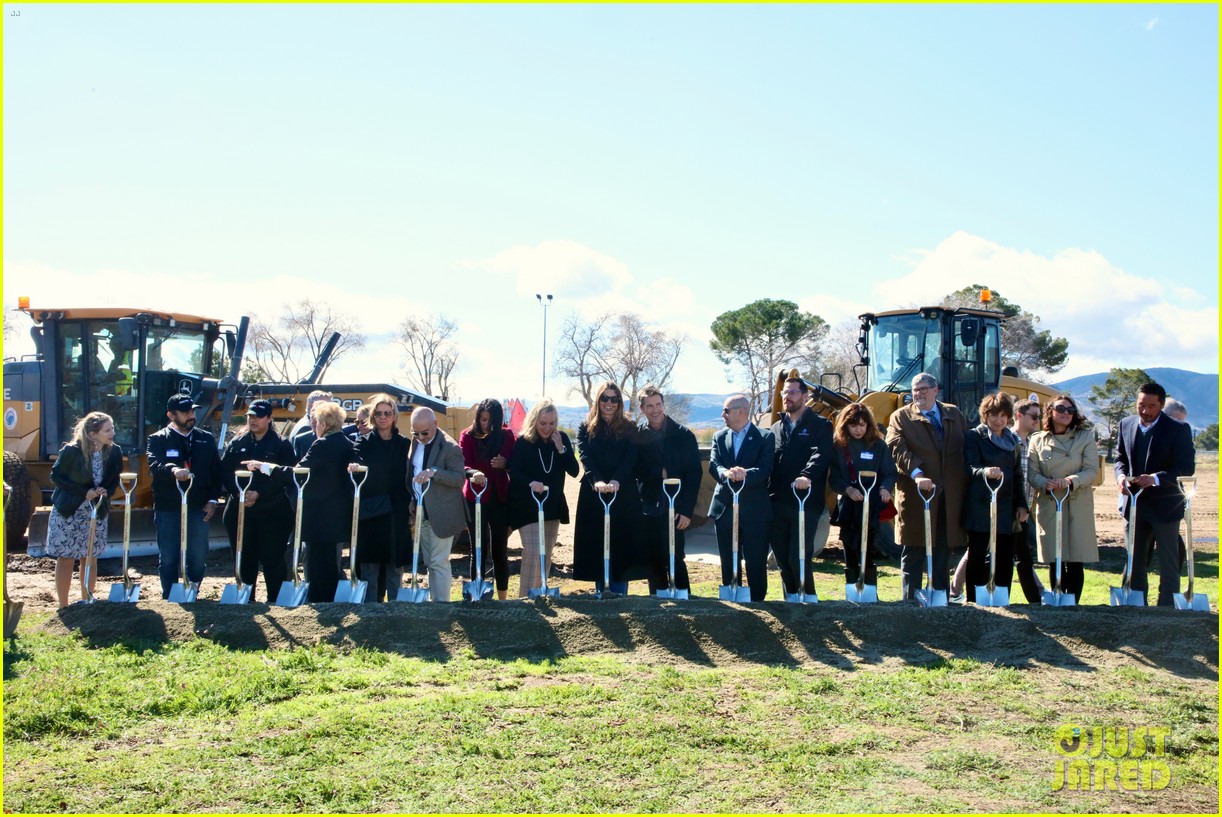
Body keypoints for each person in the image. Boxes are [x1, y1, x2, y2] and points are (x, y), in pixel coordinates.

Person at [245, 400, 354, 603]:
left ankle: (320, 605)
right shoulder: (345, 443)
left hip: (319, 517)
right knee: (329, 564)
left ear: (324, 423)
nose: (315, 426)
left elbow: (298, 473)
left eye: (316, 421)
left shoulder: (323, 444)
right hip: (335, 516)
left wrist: (264, 466)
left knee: (318, 567)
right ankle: (325, 603)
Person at [886, 373, 967, 601]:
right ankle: (910, 602)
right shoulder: (900, 417)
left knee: (942, 549)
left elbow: (966, 444)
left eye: (923, 389)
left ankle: (940, 600)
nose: (918, 393)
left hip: (949, 496)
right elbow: (896, 448)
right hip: (916, 495)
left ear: (935, 390)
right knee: (915, 549)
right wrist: (917, 473)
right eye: (915, 390)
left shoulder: (953, 413)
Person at [1114, 382, 1196, 606]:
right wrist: (1120, 476)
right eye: (1141, 405)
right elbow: (1120, 458)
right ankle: (1135, 603)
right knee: (1135, 557)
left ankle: (1167, 607)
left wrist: (1155, 478)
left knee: (1168, 559)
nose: (1145, 411)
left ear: (1161, 405)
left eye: (1151, 406)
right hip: (1134, 503)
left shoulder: (1178, 429)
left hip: (1165, 505)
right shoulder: (1126, 424)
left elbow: (1186, 467)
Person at [574, 381, 647, 595]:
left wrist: (617, 480)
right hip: (594, 493)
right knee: (597, 545)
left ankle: (619, 594)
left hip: (623, 494)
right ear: (598, 400)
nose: (609, 403)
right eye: (605, 398)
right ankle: (601, 592)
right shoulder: (585, 427)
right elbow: (585, 456)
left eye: (614, 399)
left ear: (619, 402)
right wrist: (596, 480)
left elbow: (630, 457)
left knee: (622, 545)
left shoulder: (629, 427)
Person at [219, 400, 296, 603]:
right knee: (244, 558)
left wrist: (259, 493)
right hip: (240, 509)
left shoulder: (281, 444)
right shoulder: (237, 443)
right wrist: (240, 493)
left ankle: (276, 601)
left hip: (272, 511)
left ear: (269, 419)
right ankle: (246, 601)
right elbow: (225, 472)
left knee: (273, 560)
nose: (253, 420)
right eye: (250, 416)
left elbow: (287, 476)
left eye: (258, 417)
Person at [147, 395, 223, 599]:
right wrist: (173, 470)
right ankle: (170, 597)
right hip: (168, 507)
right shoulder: (158, 439)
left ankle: (192, 593)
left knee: (198, 557)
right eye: (185, 412)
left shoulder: (205, 439)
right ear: (171, 415)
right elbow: (155, 464)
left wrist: (213, 500)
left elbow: (217, 472)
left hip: (198, 507)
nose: (191, 415)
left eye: (192, 411)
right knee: (169, 557)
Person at [1027, 394, 1099, 604]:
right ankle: (1057, 599)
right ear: (1050, 411)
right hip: (1050, 502)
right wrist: (1044, 482)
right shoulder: (1038, 439)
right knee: (1054, 557)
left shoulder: (1084, 437)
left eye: (1070, 410)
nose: (1066, 413)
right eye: (1061, 409)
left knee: (1075, 558)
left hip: (1076, 501)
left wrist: (1070, 480)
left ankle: (1072, 604)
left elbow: (1091, 470)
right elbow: (1032, 472)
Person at [47, 412, 123, 608]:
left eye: (112, 428)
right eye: (107, 430)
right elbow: (56, 477)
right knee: (66, 557)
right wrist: (84, 492)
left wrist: (106, 491)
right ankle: (63, 606)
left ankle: (86, 602)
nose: (112, 433)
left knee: (90, 557)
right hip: (69, 511)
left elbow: (114, 479)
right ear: (92, 434)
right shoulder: (71, 451)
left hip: (96, 511)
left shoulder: (114, 452)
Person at [408, 407, 483, 603]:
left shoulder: (451, 448)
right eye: (415, 433)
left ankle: (442, 607)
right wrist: (412, 499)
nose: (420, 437)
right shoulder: (415, 443)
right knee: (430, 563)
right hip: (421, 511)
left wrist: (434, 472)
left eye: (425, 432)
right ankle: (436, 605)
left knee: (438, 562)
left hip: (443, 514)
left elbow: (459, 479)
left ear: (436, 424)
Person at [768, 377, 834, 598]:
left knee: (799, 555)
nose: (787, 397)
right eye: (785, 393)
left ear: (805, 397)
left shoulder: (821, 425)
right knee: (782, 556)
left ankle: (809, 600)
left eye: (793, 393)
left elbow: (821, 454)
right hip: (777, 501)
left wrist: (806, 475)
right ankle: (791, 598)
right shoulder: (776, 428)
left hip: (805, 502)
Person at [961, 393, 1029, 604]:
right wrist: (985, 472)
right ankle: (974, 599)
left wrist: (1022, 504)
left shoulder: (1012, 441)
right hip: (981, 504)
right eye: (993, 415)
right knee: (978, 554)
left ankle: (1000, 598)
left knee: (1005, 556)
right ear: (985, 415)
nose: (998, 420)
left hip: (1007, 506)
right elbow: (969, 466)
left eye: (1002, 415)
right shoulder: (975, 436)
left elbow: (1018, 475)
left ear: (1009, 417)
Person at [635, 384, 702, 596]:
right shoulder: (638, 436)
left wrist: (687, 510)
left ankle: (683, 598)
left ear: (664, 405)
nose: (655, 410)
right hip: (649, 505)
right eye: (650, 406)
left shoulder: (683, 435)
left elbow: (694, 475)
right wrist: (659, 471)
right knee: (653, 558)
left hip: (677, 507)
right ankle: (658, 600)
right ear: (642, 409)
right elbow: (635, 468)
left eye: (658, 404)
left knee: (675, 556)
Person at [507, 399, 579, 597]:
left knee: (545, 554)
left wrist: (561, 448)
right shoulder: (524, 441)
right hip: (528, 507)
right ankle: (524, 600)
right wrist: (531, 482)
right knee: (532, 552)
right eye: (543, 423)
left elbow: (574, 470)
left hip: (553, 506)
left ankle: (539, 595)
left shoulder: (561, 438)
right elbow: (515, 472)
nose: (548, 428)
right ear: (534, 421)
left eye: (552, 423)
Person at [708, 393, 775, 601]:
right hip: (725, 507)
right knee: (728, 559)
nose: (723, 415)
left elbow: (766, 469)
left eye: (726, 411)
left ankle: (757, 604)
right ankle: (731, 599)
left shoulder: (765, 437)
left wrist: (744, 474)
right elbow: (714, 465)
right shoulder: (719, 437)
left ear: (741, 411)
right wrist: (725, 474)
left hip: (754, 510)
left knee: (755, 560)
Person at [828, 403, 896, 591]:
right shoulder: (839, 446)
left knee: (868, 545)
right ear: (845, 425)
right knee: (849, 544)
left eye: (862, 425)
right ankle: (852, 586)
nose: (858, 429)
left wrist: (885, 488)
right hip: (849, 504)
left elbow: (890, 472)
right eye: (853, 425)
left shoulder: (878, 445)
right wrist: (847, 490)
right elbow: (834, 478)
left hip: (871, 502)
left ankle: (869, 588)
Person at [350, 394, 411, 602]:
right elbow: (354, 461)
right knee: (370, 569)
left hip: (396, 512)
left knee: (395, 569)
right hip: (372, 513)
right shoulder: (363, 443)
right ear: (373, 416)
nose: (383, 417)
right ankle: (370, 614)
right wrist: (354, 466)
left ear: (394, 416)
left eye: (387, 413)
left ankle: (396, 612)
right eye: (378, 413)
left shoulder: (405, 444)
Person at [460, 399, 516, 600]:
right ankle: (478, 595)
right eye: (483, 419)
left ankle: (502, 599)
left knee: (499, 550)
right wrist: (473, 472)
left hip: (499, 499)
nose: (486, 424)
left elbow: (516, 464)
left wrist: (505, 464)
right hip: (475, 498)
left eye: (491, 421)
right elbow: (463, 464)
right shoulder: (467, 436)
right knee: (478, 548)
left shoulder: (506, 436)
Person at [1009, 398, 1046, 603]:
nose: (1037, 420)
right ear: (1019, 415)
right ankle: (1036, 595)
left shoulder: (1031, 442)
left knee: (1022, 553)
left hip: (1024, 506)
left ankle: (1036, 594)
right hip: (1011, 506)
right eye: (1033, 416)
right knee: (1021, 554)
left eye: (1039, 416)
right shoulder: (1009, 439)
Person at [291, 390, 335, 458]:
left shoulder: (304, 422)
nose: (329, 410)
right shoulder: (307, 427)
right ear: (312, 406)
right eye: (325, 406)